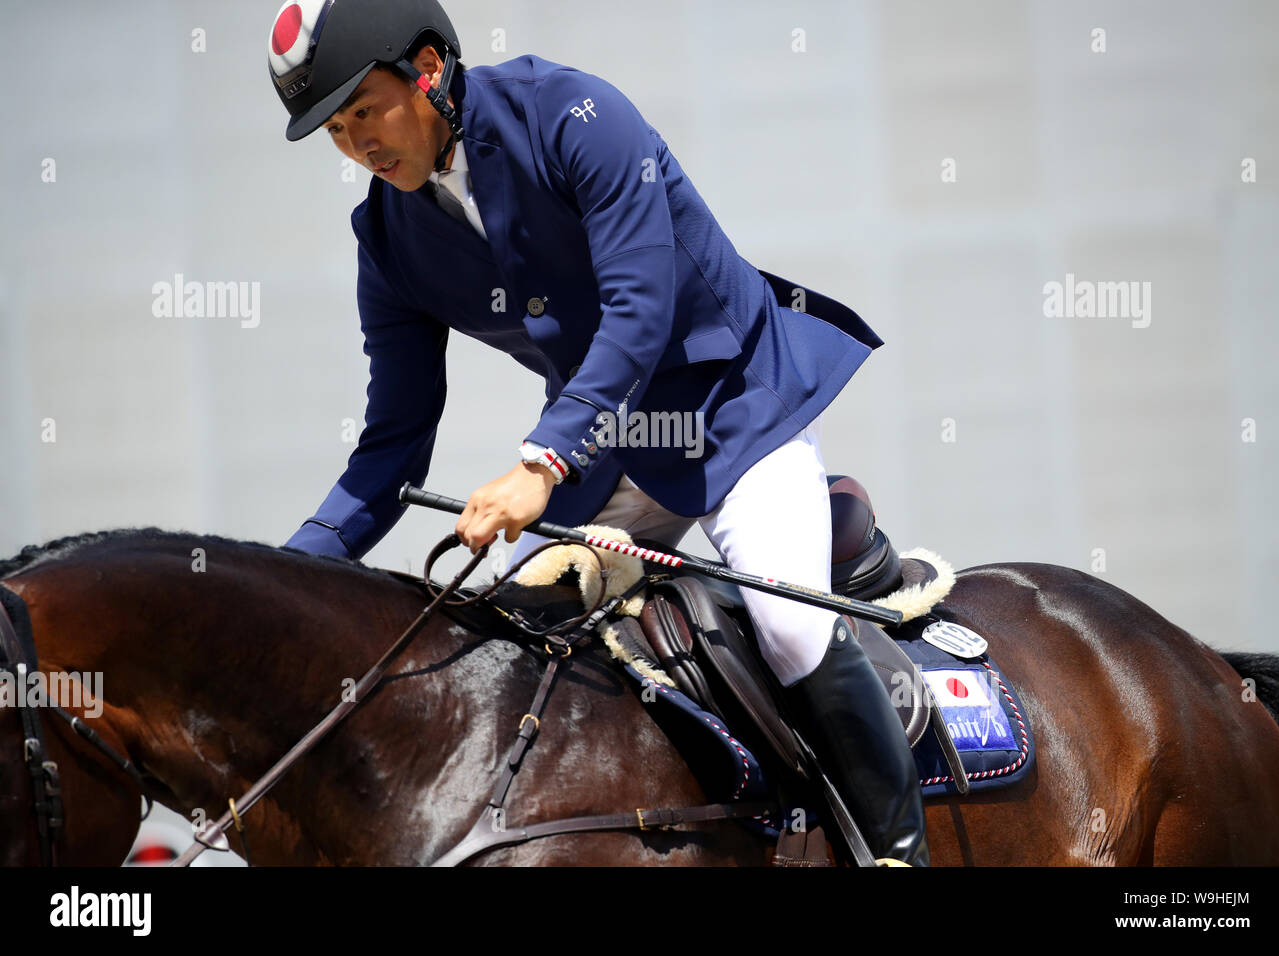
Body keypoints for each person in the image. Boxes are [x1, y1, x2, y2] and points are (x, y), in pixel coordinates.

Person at [268, 0, 928, 866]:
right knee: (502, 647)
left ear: (428, 68)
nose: (358, 146)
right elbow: (393, 441)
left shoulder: (577, 116)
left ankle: (898, 857)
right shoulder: (388, 239)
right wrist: (286, 575)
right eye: (337, 132)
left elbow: (640, 314)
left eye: (364, 112)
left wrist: (540, 461)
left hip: (727, 411)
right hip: (605, 458)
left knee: (792, 628)